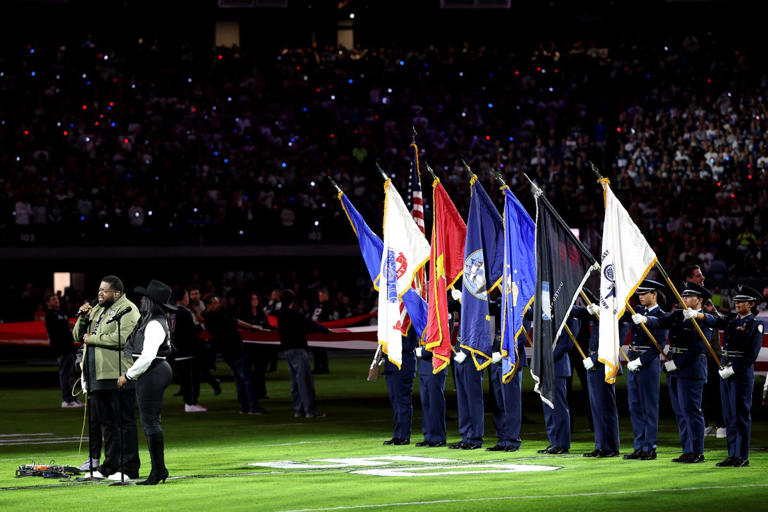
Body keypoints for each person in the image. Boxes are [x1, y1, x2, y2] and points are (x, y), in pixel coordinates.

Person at [633, 281, 716, 463]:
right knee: (680, 412)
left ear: (699, 300)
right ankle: (687, 450)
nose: (684, 299)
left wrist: (676, 363)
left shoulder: (705, 319)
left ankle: (697, 452)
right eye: (683, 296)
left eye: (689, 296)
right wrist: (646, 320)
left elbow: (698, 348)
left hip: (691, 369)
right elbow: (662, 321)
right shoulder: (679, 315)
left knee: (692, 411)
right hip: (675, 369)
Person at [73, 275, 141, 480]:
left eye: (105, 290)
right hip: (97, 375)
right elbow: (77, 336)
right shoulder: (98, 310)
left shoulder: (128, 310)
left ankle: (129, 468)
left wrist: (91, 339)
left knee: (124, 423)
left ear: (117, 293)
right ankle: (110, 466)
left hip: (117, 373)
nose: (100, 293)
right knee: (107, 424)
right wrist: (83, 317)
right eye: (99, 290)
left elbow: (123, 338)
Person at [117, 280, 177, 485]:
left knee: (150, 421)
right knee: (151, 421)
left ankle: (158, 470)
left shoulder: (153, 324)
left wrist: (128, 376)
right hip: (154, 370)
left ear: (151, 302)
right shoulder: (153, 321)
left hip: (153, 371)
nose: (141, 301)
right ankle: (159, 469)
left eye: (145, 298)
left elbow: (147, 356)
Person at [707, 285, 764, 467]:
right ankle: (732, 454)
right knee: (729, 415)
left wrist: (734, 368)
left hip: (740, 375)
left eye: (741, 301)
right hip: (726, 373)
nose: (737, 303)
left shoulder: (756, 324)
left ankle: (742, 456)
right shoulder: (732, 320)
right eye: (736, 300)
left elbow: (751, 355)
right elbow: (715, 321)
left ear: (751, 304)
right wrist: (700, 314)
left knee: (740, 415)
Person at [620, 279, 669, 460]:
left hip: (648, 365)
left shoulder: (662, 316)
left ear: (654, 294)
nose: (640, 297)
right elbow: (621, 315)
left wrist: (640, 360)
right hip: (633, 362)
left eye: (644, 293)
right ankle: (639, 447)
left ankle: (650, 447)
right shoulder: (637, 311)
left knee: (649, 407)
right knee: (635, 407)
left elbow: (659, 345)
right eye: (639, 293)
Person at [574, 304, 623, 458]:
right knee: (597, 408)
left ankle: (611, 447)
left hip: (605, 364)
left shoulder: (617, 312)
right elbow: (578, 311)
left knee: (606, 407)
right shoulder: (601, 313)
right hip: (594, 365)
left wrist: (594, 359)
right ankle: (601, 445)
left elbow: (613, 341)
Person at [203, 295, 265, 415]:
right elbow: (235, 321)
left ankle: (244, 407)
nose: (218, 305)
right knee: (247, 379)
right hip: (235, 349)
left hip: (227, 352)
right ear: (209, 305)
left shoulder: (207, 317)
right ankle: (253, 407)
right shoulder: (218, 316)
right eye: (215, 303)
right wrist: (252, 326)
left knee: (239, 380)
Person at [276, 289, 330, 418]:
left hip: (287, 351)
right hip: (298, 350)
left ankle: (298, 409)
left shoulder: (280, 314)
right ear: (292, 301)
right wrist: (324, 329)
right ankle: (309, 411)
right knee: (305, 382)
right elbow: (308, 324)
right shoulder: (292, 314)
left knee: (295, 383)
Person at [537, 317, 579, 455]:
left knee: (558, 407)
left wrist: (547, 358)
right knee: (548, 405)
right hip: (544, 366)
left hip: (557, 366)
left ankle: (562, 443)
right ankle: (553, 441)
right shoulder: (548, 314)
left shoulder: (570, 315)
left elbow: (567, 343)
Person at [44, 292, 82, 408]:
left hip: (68, 348)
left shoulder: (60, 313)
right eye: (53, 299)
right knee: (66, 374)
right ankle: (67, 400)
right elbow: (61, 328)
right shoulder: (50, 315)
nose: (56, 301)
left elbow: (68, 325)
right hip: (61, 348)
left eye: (57, 299)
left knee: (70, 374)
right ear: (48, 303)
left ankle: (73, 399)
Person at [171, 288, 206, 412]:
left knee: (185, 379)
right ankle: (190, 403)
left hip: (177, 349)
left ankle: (189, 403)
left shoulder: (172, 311)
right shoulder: (185, 312)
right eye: (187, 296)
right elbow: (194, 330)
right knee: (190, 379)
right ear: (184, 298)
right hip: (187, 350)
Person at [383, 328, 417, 445]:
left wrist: (391, 342)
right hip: (391, 365)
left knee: (403, 402)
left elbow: (409, 345)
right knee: (396, 402)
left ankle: (403, 436)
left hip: (404, 365)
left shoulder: (409, 320)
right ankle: (397, 435)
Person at [310, 287, 332, 374]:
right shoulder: (319, 305)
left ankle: (323, 368)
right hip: (316, 329)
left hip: (321, 329)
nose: (319, 296)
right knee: (316, 349)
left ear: (325, 295)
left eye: (321, 295)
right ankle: (318, 367)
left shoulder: (328, 305)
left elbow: (327, 318)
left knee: (320, 349)